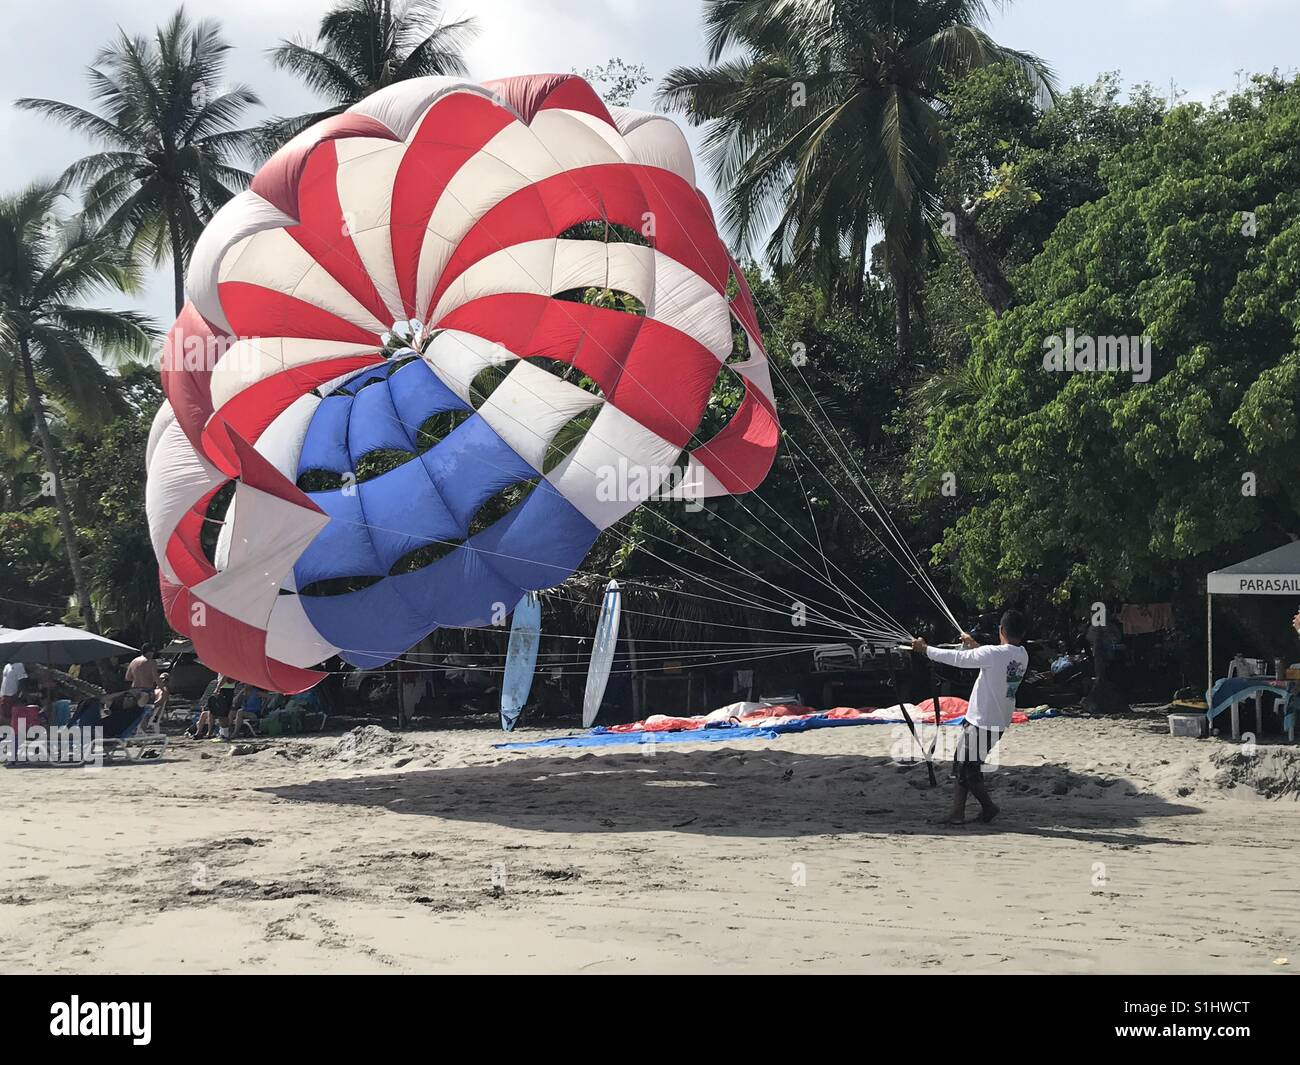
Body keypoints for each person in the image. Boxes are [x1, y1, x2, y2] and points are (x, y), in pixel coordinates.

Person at [912, 609, 1030, 826]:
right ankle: (958, 812)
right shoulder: (1021, 654)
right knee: (963, 764)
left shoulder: (993, 654)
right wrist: (974, 644)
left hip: (982, 721)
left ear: (1001, 630)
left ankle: (988, 807)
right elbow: (990, 657)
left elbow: (958, 658)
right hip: (995, 720)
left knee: (967, 768)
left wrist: (926, 649)